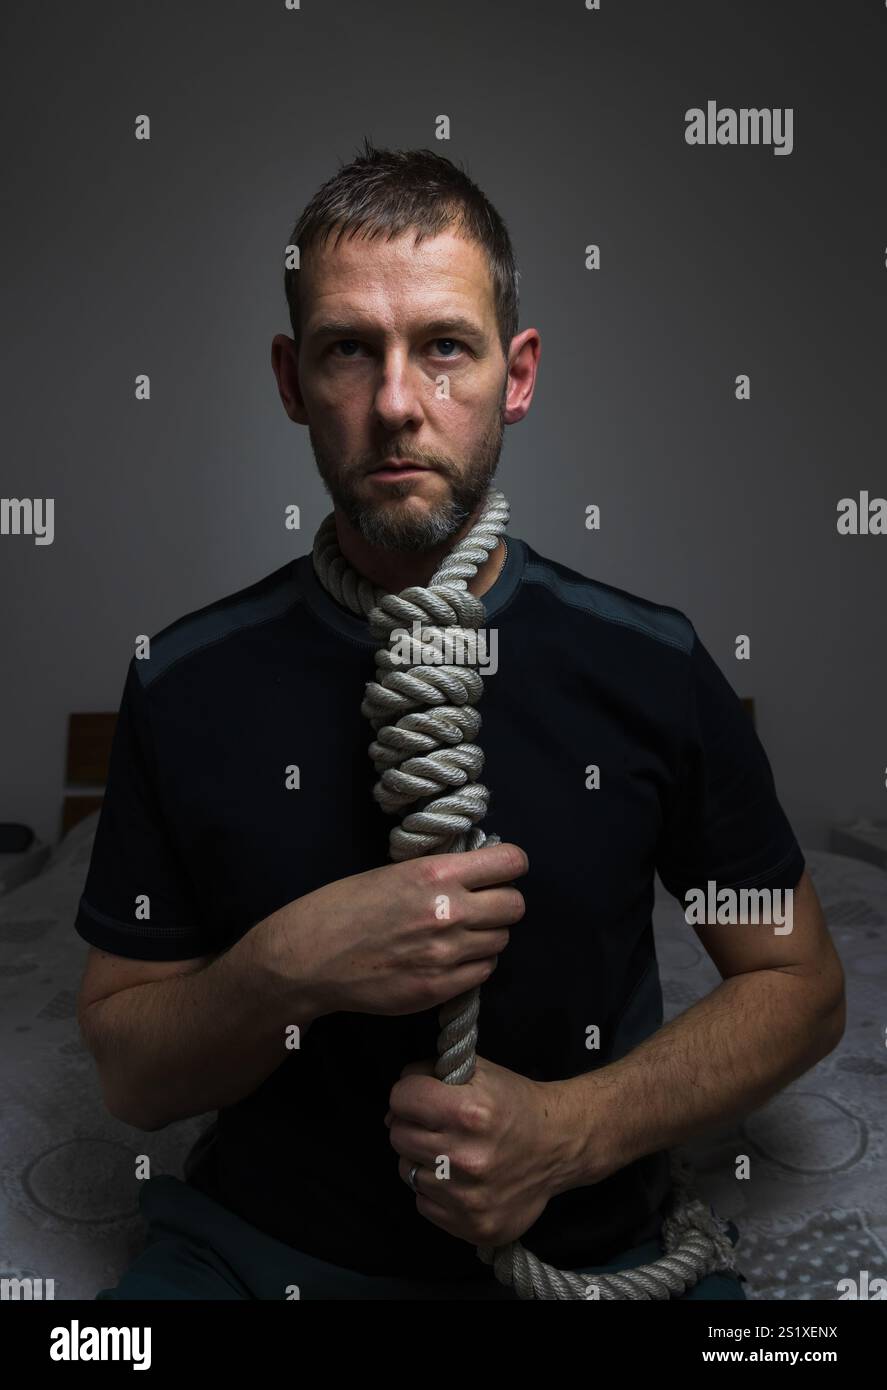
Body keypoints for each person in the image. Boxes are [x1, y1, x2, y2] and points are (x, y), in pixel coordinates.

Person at [75, 140, 845, 1301]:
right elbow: (129, 1073)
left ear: (516, 374)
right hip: (255, 1258)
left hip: (592, 1252)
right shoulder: (183, 682)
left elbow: (801, 985)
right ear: (290, 381)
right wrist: (288, 966)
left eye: (443, 346)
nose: (396, 403)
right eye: (348, 350)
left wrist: (571, 1129)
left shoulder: (648, 662)